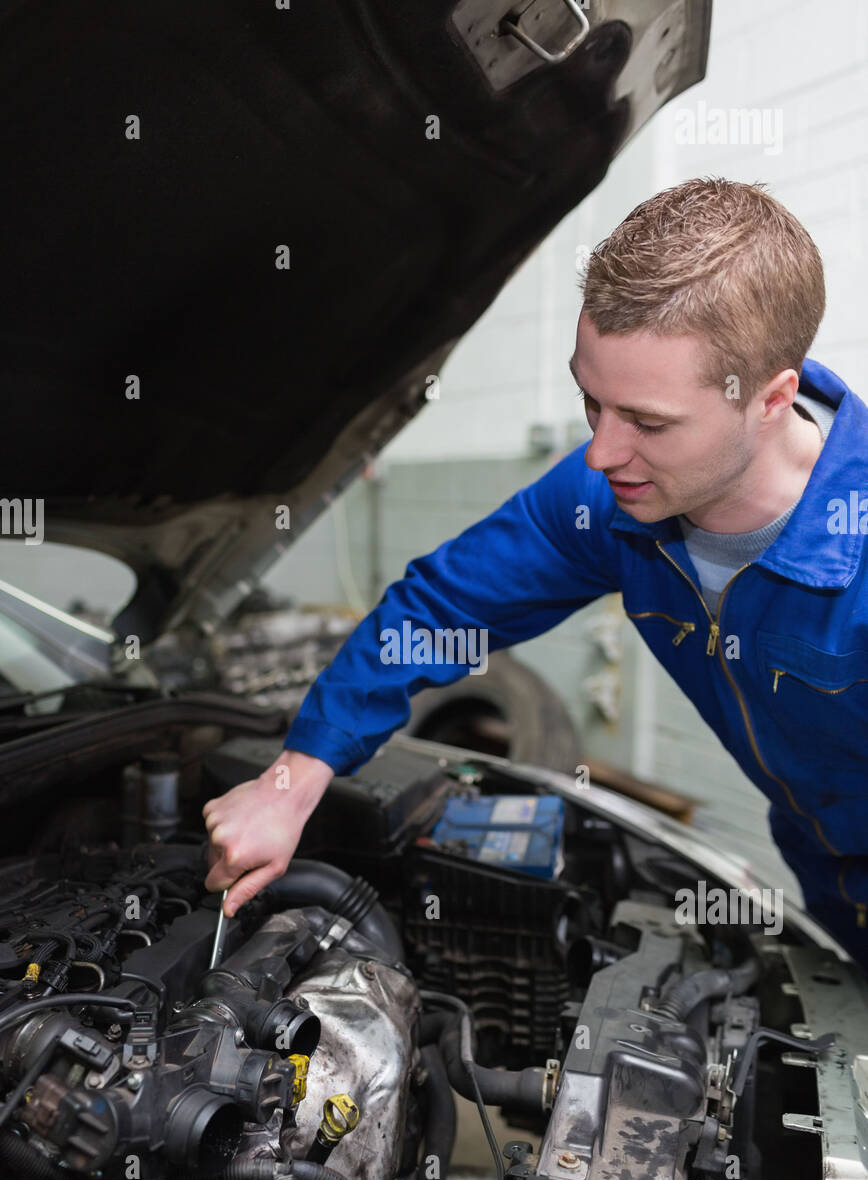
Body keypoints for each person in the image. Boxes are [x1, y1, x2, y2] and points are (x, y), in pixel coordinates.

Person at [203, 176, 868, 967]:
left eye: (648, 422)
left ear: (770, 399)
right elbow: (438, 611)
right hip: (821, 861)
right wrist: (293, 781)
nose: (601, 452)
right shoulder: (609, 498)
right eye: (593, 402)